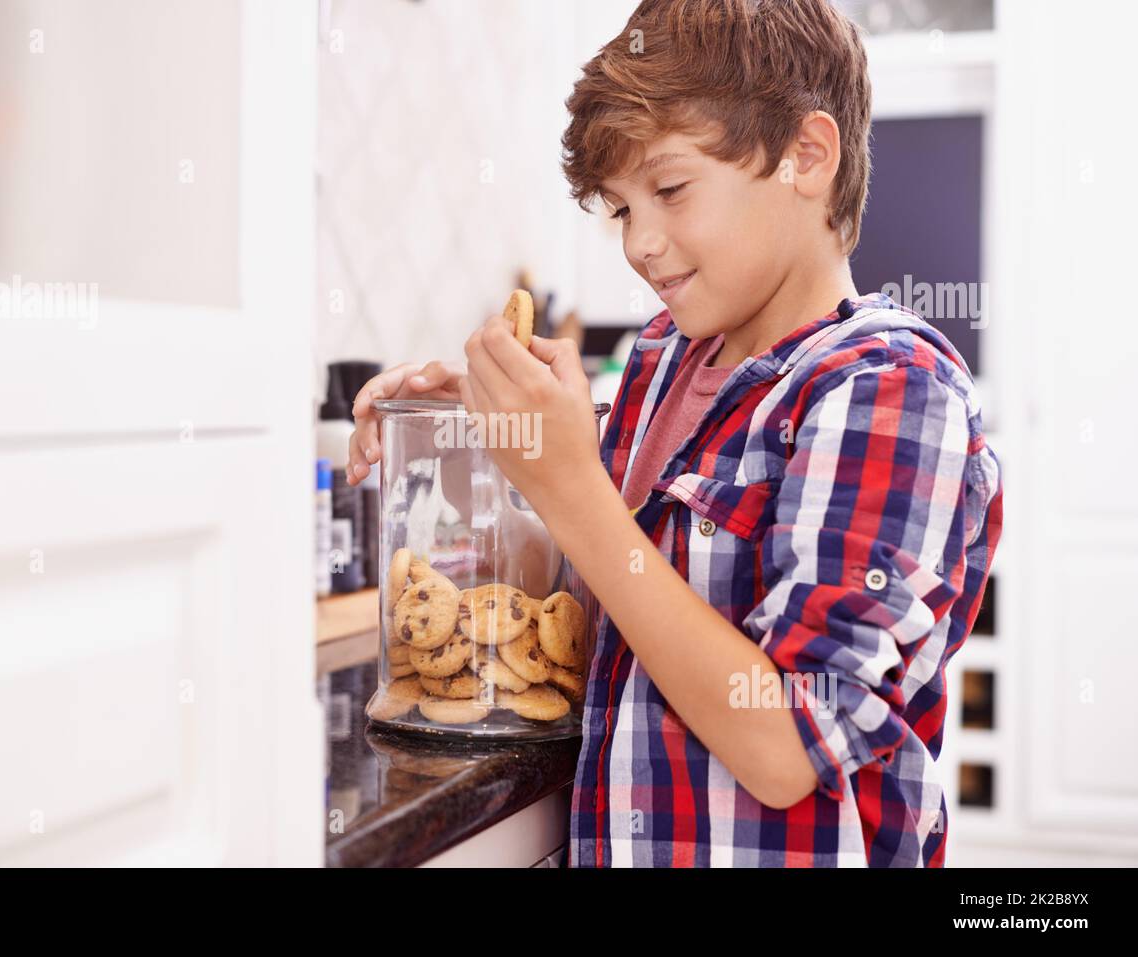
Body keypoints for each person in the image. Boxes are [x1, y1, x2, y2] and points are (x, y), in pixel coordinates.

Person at [347, 0, 1003, 867]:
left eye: (669, 188)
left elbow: (786, 749)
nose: (641, 244)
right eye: (620, 210)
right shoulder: (661, 362)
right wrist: (468, 445)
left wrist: (573, 487)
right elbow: (590, 598)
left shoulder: (888, 391)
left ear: (808, 154)